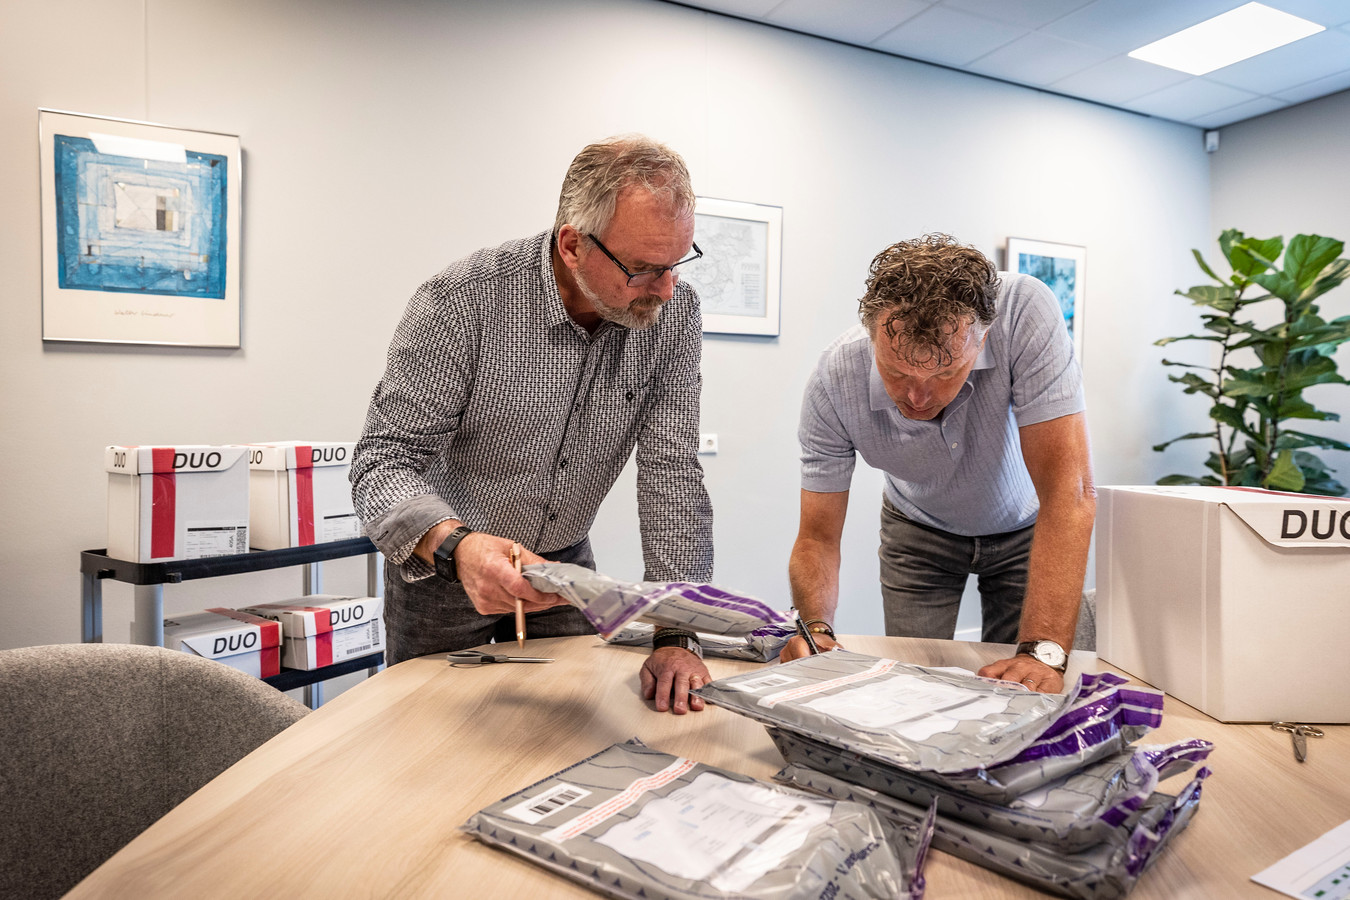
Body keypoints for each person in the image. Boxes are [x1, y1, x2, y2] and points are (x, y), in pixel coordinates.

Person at [350, 135, 714, 714]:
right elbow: (385, 462)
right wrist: (458, 550)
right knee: (432, 735)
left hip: (564, 570)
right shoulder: (464, 302)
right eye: (644, 269)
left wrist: (676, 632)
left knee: (563, 731)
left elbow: (672, 475)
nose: (666, 290)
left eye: (675, 264)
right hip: (446, 572)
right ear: (573, 245)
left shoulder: (675, 315)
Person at [784, 234, 1095, 694]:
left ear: (983, 338)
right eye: (898, 373)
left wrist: (1042, 651)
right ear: (872, 337)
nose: (917, 397)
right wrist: (815, 629)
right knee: (914, 680)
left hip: (1027, 527)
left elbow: (1069, 491)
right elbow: (817, 535)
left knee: (1025, 685)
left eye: (945, 373)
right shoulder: (834, 382)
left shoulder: (1025, 310)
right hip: (917, 532)